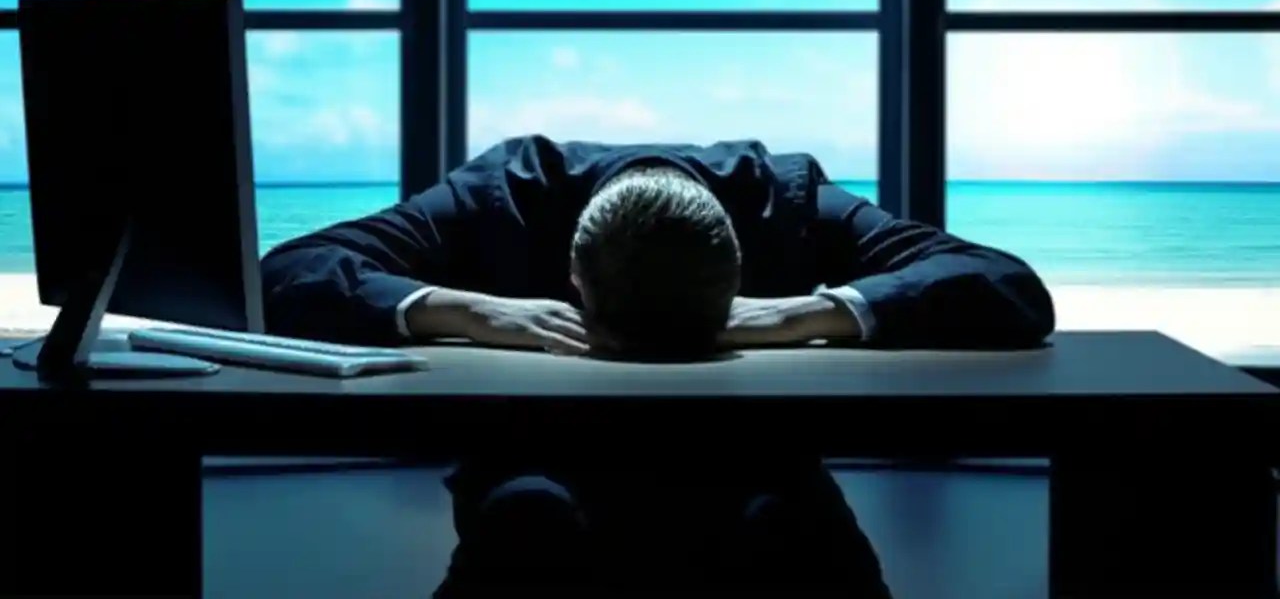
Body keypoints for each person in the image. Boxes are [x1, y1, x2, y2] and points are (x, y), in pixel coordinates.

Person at [261, 134, 1056, 597]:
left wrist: (810, 309)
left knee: (787, 532)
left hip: (747, 460)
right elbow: (287, 268)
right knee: (528, 518)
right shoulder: (504, 192)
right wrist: (466, 307)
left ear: (741, 277)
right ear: (571, 281)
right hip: (546, 457)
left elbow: (1005, 282)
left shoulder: (785, 197)